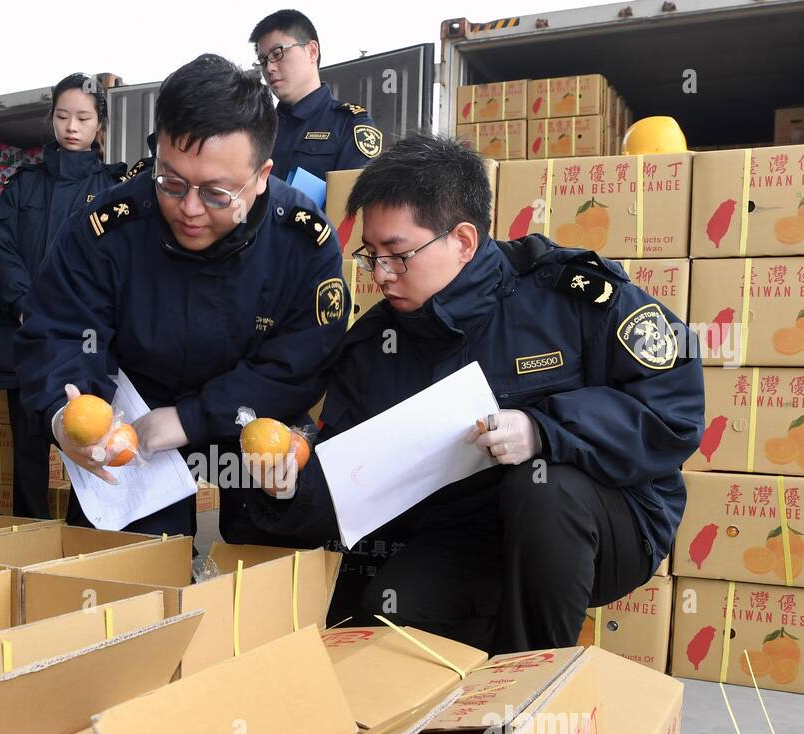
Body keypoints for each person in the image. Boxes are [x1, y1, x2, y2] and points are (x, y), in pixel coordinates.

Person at [245, 134, 705, 654]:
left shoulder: (568, 297)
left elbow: (674, 409)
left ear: (463, 240)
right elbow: (351, 474)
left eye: (398, 255)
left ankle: (530, 684)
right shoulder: (375, 348)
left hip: (609, 518)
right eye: (370, 256)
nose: (381, 276)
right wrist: (290, 483)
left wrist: (543, 431)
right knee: (386, 620)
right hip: (468, 531)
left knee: (541, 486)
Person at [16, 54, 348, 538]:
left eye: (216, 193)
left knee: (266, 571)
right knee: (121, 583)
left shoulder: (300, 237)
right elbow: (60, 329)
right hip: (133, 428)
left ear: (261, 176)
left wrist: (195, 417)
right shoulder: (110, 225)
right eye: (170, 182)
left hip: (249, 422)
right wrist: (66, 415)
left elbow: (301, 360)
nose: (189, 209)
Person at [0, 73, 131, 520]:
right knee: (27, 453)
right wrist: (27, 306)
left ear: (99, 125)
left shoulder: (114, 189)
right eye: (63, 116)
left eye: (83, 117)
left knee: (90, 443)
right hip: (25, 335)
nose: (72, 126)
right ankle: (28, 539)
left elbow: (118, 264)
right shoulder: (24, 185)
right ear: (51, 119)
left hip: (87, 341)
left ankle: (89, 536)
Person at [250, 9, 382, 182]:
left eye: (277, 54)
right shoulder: (258, 129)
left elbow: (353, 205)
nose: (269, 68)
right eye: (263, 61)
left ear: (312, 51)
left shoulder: (349, 125)